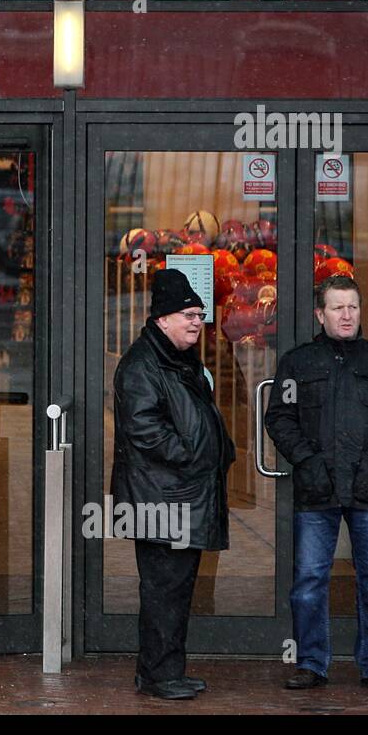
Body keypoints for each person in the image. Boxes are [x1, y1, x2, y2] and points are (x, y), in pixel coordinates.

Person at [264, 275, 368, 692]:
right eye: (337, 307)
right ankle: (312, 663)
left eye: (352, 306)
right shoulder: (298, 363)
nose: (346, 315)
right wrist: (307, 460)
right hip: (317, 491)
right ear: (321, 314)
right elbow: (279, 417)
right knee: (310, 581)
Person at [112, 268, 234, 700]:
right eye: (188, 314)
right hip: (161, 499)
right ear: (163, 318)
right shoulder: (143, 365)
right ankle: (160, 676)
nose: (197, 321)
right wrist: (194, 454)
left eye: (200, 314)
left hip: (180, 494)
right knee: (164, 589)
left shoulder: (177, 359)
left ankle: (166, 670)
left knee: (177, 590)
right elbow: (143, 428)